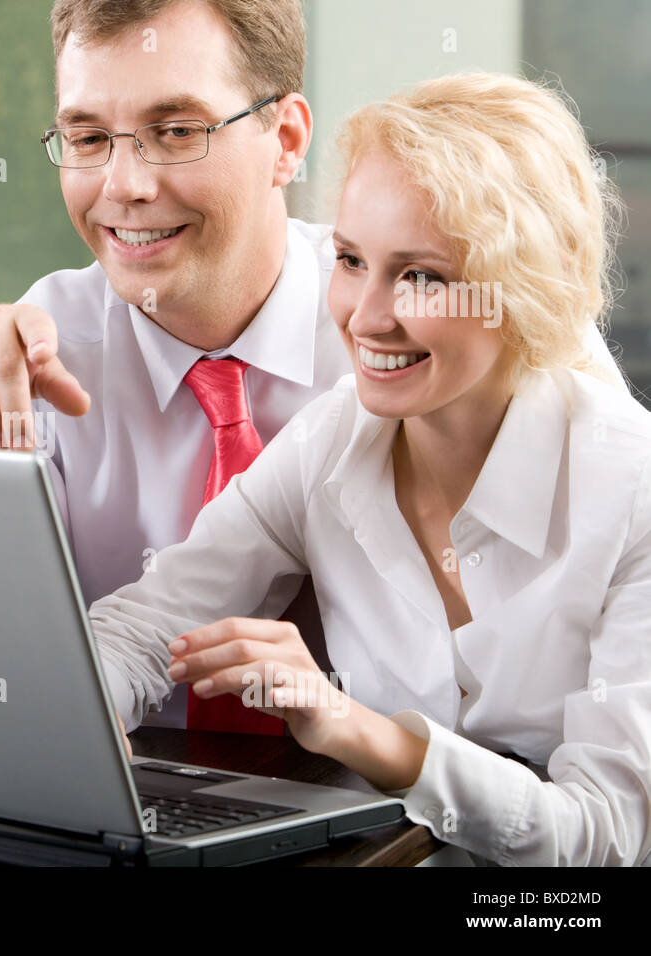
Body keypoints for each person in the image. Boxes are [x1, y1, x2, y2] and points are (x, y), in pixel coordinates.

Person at [0, 0, 625, 737]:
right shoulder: (30, 362)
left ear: (286, 139)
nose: (123, 186)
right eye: (87, 137)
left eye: (176, 132)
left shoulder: (444, 326)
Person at [89, 72, 649, 866]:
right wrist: (76, 715)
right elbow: (146, 627)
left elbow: (606, 837)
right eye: (351, 260)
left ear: (521, 288)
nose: (365, 314)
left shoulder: (632, 490)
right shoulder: (330, 444)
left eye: (421, 276)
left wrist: (358, 731)